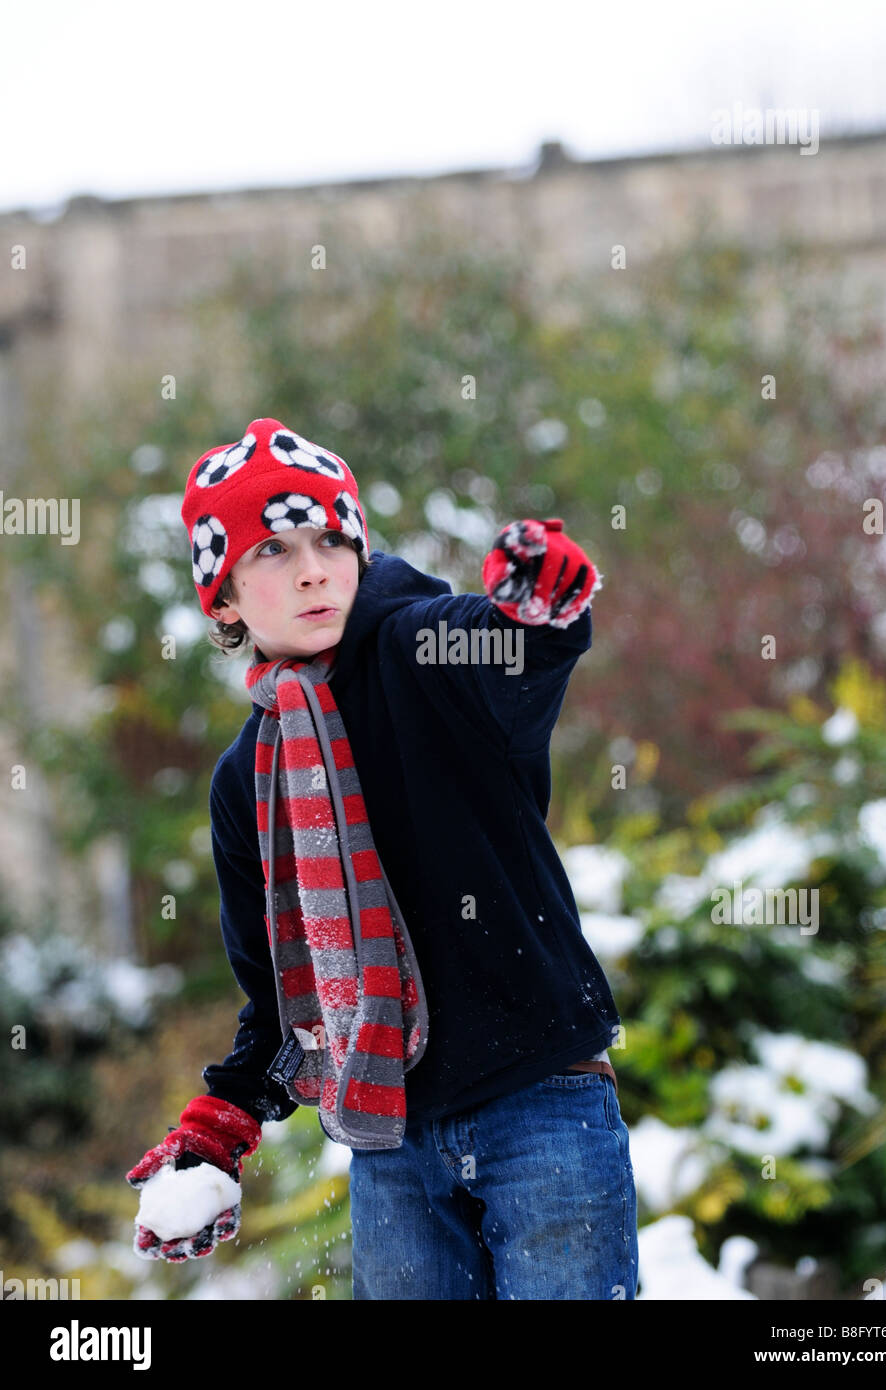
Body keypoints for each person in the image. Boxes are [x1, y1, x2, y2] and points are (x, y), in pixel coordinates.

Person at [126, 416, 638, 1299]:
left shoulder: (423, 649)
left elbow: (507, 655)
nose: (314, 567)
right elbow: (283, 998)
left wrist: (538, 612)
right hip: (390, 1143)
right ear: (224, 599)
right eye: (273, 551)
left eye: (331, 538)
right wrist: (222, 1125)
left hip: (542, 1107)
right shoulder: (247, 778)